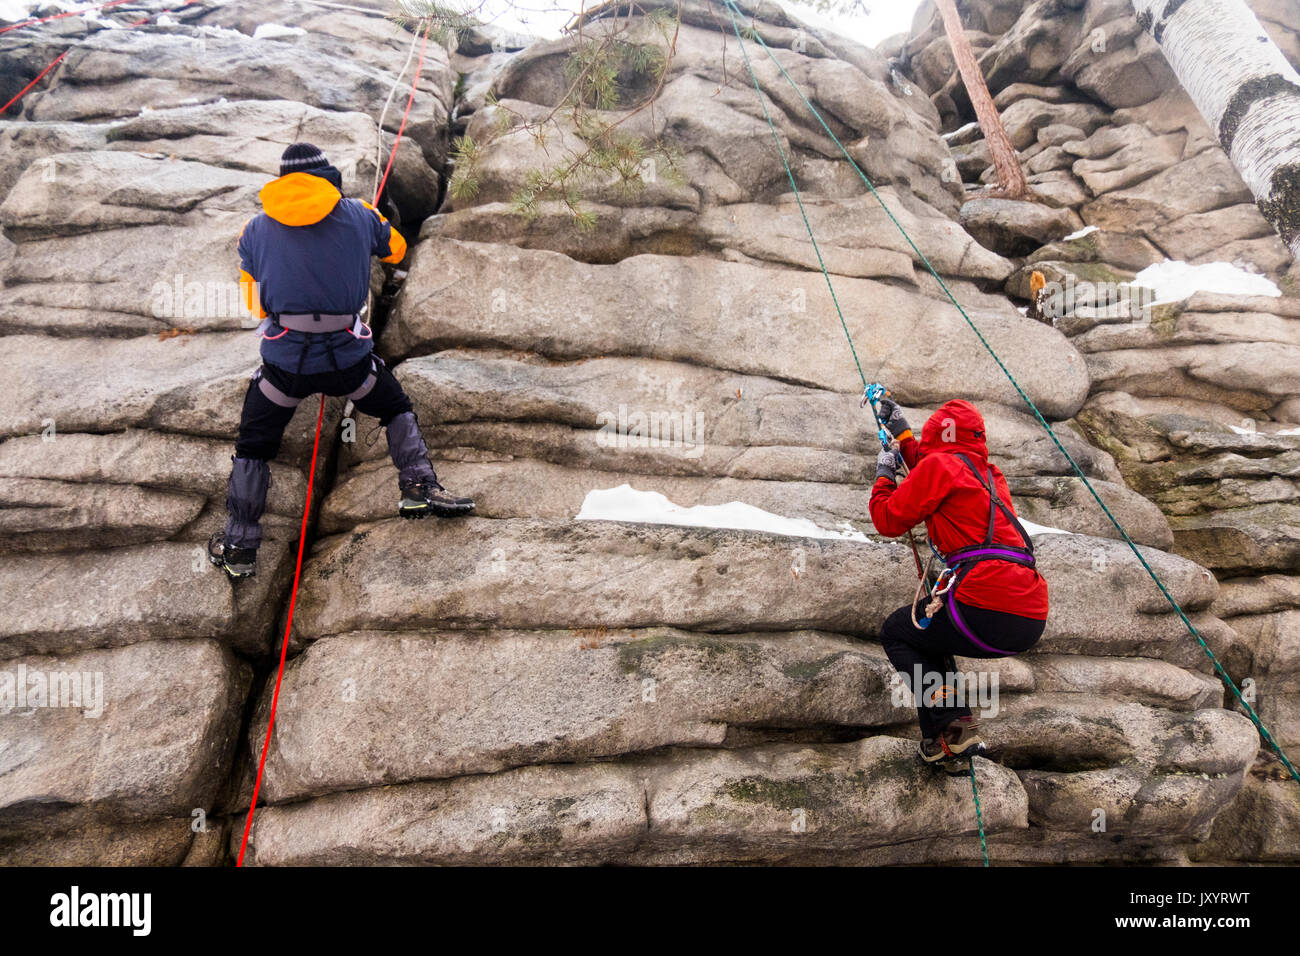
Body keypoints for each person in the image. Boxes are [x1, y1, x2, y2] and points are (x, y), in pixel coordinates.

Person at [208, 143, 474, 580]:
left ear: (283, 183)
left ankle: (239, 544)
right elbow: (396, 250)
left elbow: (255, 307)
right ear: (327, 179)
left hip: (284, 368)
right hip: (349, 362)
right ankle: (419, 488)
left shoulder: (254, 229)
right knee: (394, 408)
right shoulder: (357, 214)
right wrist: (376, 214)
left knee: (254, 446)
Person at [868, 396, 1048, 765]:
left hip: (985, 607)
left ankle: (954, 724)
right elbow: (939, 466)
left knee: (898, 631)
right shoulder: (990, 475)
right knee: (930, 636)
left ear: (937, 436)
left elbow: (887, 520)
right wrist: (902, 435)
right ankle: (944, 739)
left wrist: (884, 475)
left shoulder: (940, 466)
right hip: (1029, 616)